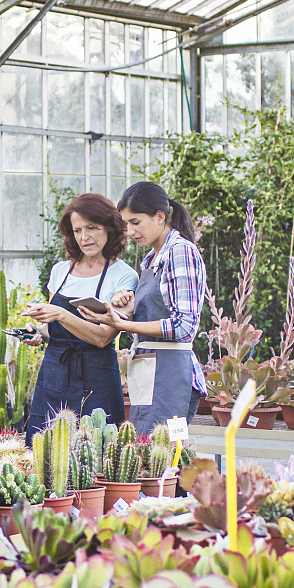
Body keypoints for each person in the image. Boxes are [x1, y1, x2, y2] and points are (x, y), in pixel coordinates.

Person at [20, 193, 137, 434]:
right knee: (43, 447)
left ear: (109, 227)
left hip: (97, 378)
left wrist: (60, 314)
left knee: (96, 448)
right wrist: (37, 333)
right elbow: (54, 330)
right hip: (54, 374)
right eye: (77, 230)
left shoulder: (123, 276)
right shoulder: (61, 271)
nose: (84, 237)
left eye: (92, 228)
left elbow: (102, 337)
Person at [97, 181, 208, 436]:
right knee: (144, 450)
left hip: (171, 375)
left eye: (136, 222)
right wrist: (127, 307)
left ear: (160, 217)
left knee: (162, 453)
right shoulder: (151, 258)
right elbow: (152, 317)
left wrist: (124, 324)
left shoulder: (181, 252)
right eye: (126, 224)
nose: (130, 231)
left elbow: (185, 327)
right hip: (148, 371)